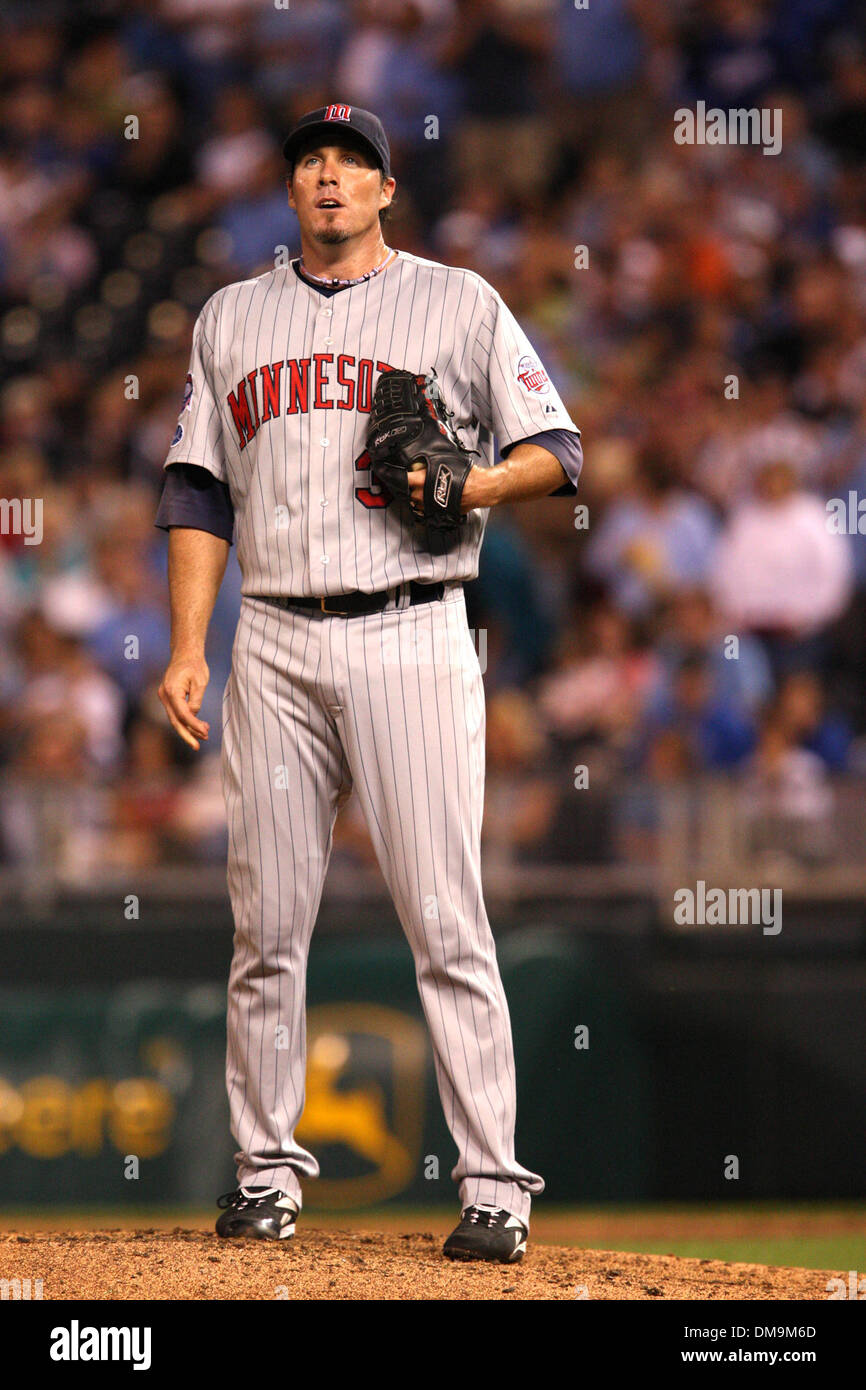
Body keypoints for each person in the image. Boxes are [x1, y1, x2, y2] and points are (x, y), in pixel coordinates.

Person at [155, 104, 583, 1264]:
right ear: (289, 190)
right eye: (309, 161)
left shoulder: (459, 302)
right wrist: (191, 644)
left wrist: (472, 487)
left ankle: (493, 1185)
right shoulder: (231, 317)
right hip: (276, 640)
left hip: (410, 630)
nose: (329, 175)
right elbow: (198, 491)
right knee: (266, 927)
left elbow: (562, 451)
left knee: (445, 918)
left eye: (351, 161)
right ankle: (263, 1174)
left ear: (387, 189)